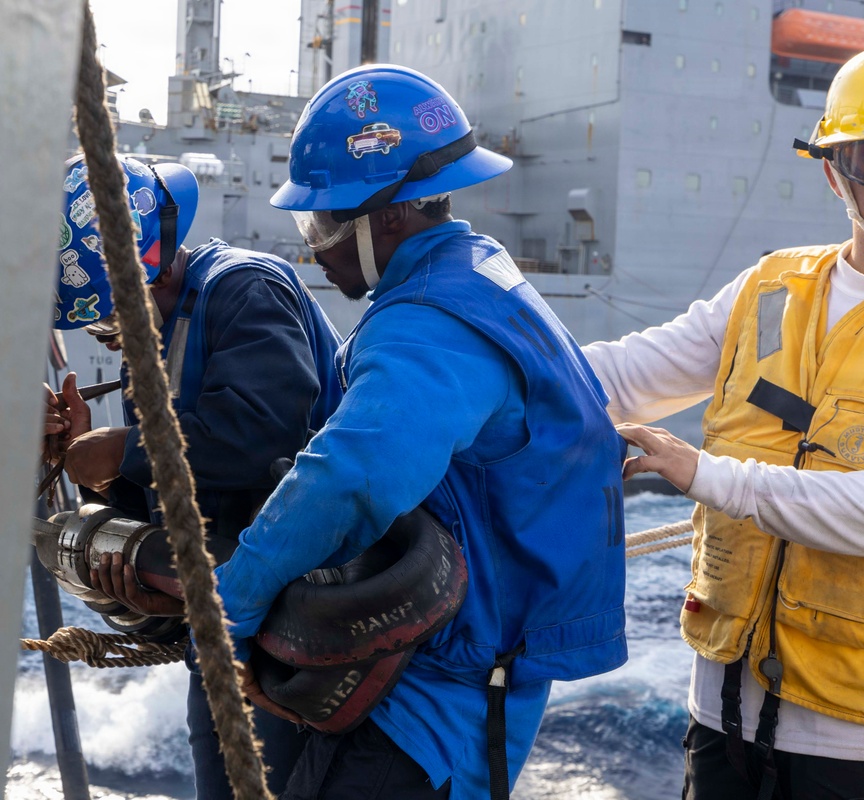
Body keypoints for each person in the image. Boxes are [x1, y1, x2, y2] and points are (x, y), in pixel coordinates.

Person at [583, 36, 864, 800]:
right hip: (720, 729)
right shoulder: (767, 288)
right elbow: (613, 378)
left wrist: (706, 474)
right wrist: (464, 361)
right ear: (834, 167)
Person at [210, 63, 628, 800]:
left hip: (434, 701)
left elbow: (349, 478)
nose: (315, 246)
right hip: (460, 669)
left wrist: (228, 609)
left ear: (390, 216)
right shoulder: (477, 271)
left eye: (325, 221)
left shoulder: (427, 327)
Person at [44, 153, 344, 798]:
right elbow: (173, 490)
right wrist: (92, 466)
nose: (107, 334)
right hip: (234, 624)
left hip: (310, 622)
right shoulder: (151, 340)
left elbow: (267, 437)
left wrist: (119, 450)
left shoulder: (244, 289)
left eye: (103, 316)